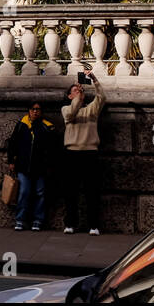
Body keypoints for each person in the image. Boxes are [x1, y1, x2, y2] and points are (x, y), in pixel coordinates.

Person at [61, 70, 106, 234]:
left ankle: (93, 225)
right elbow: (72, 113)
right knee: (70, 192)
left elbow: (102, 97)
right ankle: (70, 224)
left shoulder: (91, 110)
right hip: (72, 154)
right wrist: (78, 98)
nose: (78, 91)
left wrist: (94, 79)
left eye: (79, 90)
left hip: (90, 154)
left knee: (92, 192)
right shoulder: (66, 109)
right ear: (69, 96)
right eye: (74, 90)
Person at [6, 101, 59, 232]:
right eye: (33, 109)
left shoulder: (47, 127)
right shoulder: (21, 125)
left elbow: (53, 149)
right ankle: (20, 219)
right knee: (24, 192)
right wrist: (11, 161)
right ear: (29, 111)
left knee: (40, 193)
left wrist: (50, 165)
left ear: (41, 112)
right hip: (24, 166)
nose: (35, 111)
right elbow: (12, 143)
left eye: (38, 109)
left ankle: (38, 220)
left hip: (41, 167)